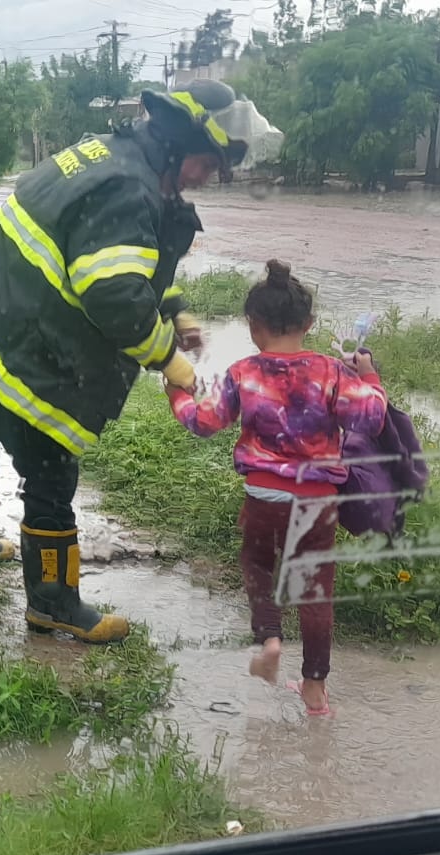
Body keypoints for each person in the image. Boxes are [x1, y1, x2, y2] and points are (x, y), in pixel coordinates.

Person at [0, 85, 248, 644]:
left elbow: (106, 254)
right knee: (50, 468)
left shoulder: (109, 151)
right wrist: (169, 360)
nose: (211, 176)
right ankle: (52, 602)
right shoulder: (130, 185)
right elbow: (114, 296)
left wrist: (173, 309)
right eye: (208, 162)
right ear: (178, 146)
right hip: (11, 327)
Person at [167, 260, 388, 715]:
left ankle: (269, 641)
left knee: (258, 567)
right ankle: (313, 687)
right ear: (309, 324)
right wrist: (368, 375)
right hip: (318, 503)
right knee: (315, 589)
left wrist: (176, 391)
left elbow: (204, 422)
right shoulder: (331, 372)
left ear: (253, 326)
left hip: (264, 496)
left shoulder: (244, 372)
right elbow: (372, 418)